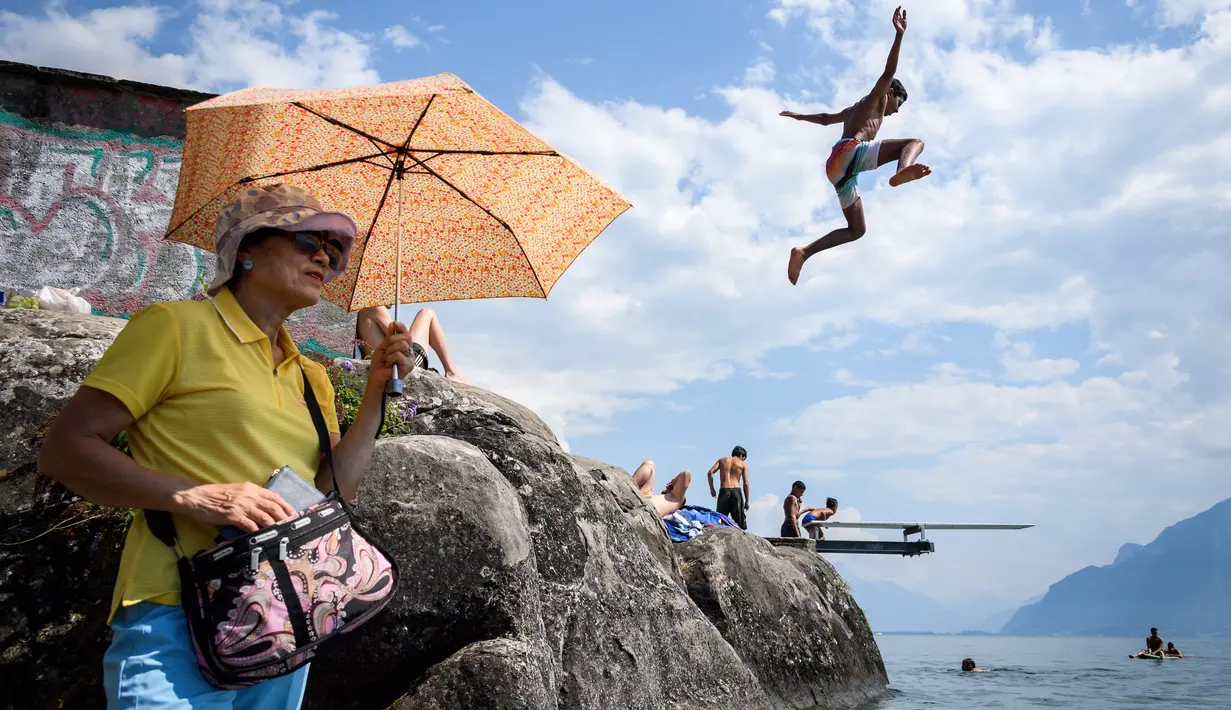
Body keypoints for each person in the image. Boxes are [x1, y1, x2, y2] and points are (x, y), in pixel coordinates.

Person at [37, 183, 416, 709]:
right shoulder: (174, 328)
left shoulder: (312, 376)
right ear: (246, 249)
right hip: (176, 606)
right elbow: (65, 450)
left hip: (287, 615)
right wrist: (200, 496)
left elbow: (334, 489)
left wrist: (375, 394)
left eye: (335, 251)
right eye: (309, 241)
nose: (326, 257)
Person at [780, 6, 930, 284]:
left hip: (838, 169)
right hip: (850, 152)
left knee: (857, 229)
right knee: (914, 142)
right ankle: (901, 170)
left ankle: (804, 253)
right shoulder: (878, 98)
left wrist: (799, 115)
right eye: (899, 104)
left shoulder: (853, 110)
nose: (896, 111)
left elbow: (826, 119)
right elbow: (889, 70)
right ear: (891, 93)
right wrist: (898, 36)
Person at [355, 304, 466, 384]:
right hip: (401, 365)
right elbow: (402, 340)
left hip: (385, 364)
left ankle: (451, 372)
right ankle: (451, 372)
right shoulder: (376, 307)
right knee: (427, 313)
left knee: (427, 314)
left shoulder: (364, 312)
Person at [707, 446, 750, 529]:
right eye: (743, 458)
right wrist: (747, 501)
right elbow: (746, 483)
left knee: (720, 519)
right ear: (741, 455)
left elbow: (710, 473)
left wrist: (712, 490)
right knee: (739, 521)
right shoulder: (743, 464)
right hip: (736, 491)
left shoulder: (722, 460)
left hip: (723, 491)